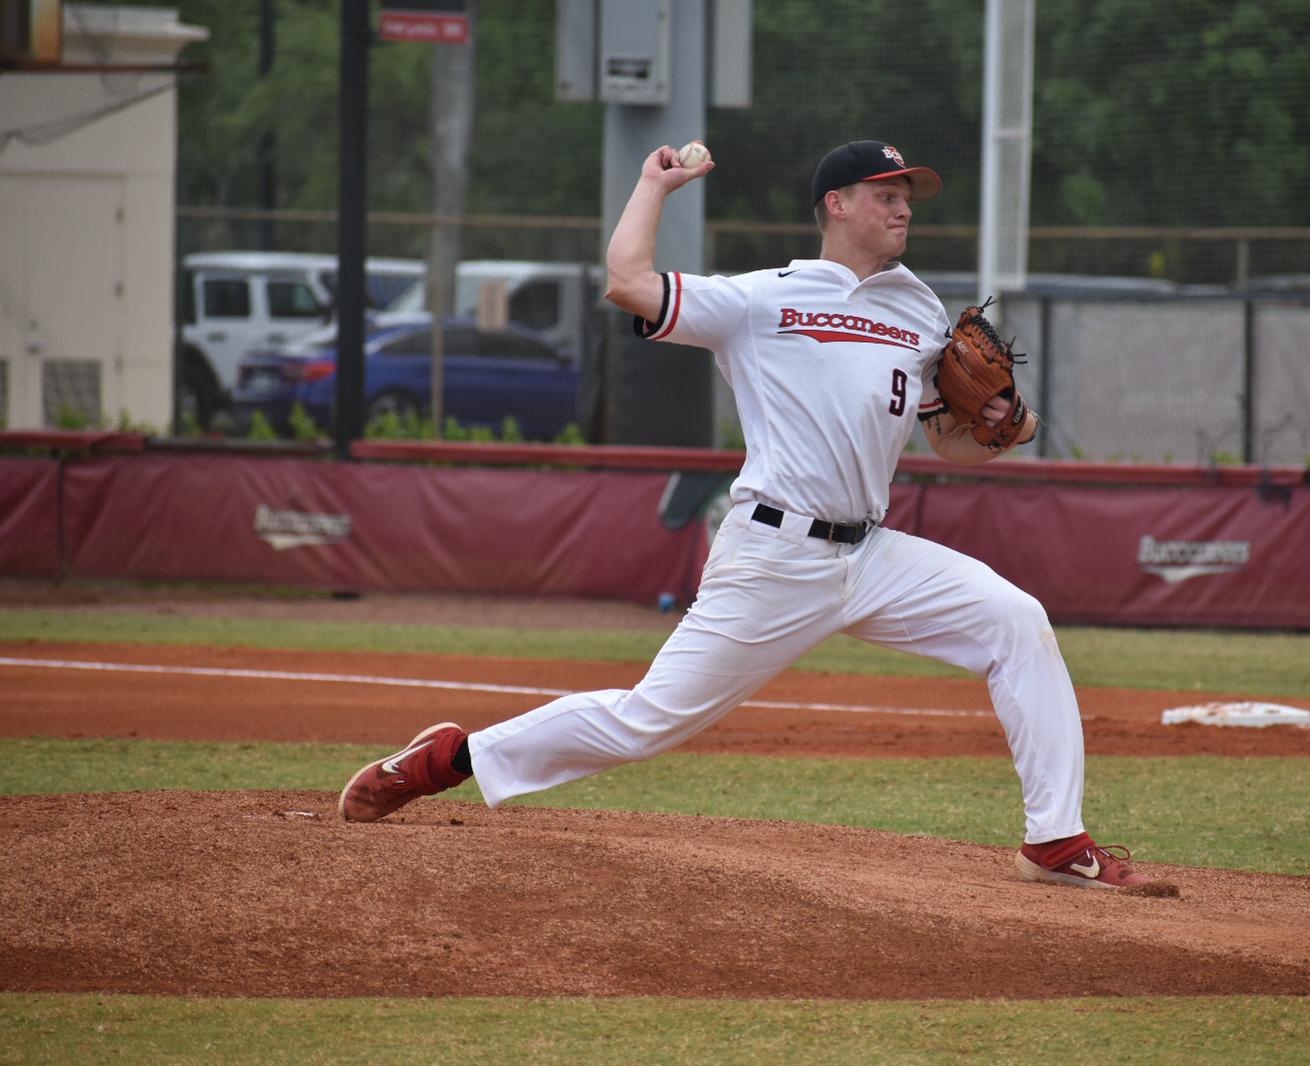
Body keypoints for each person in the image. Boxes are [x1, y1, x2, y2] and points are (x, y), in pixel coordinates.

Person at [339, 140, 1165, 892]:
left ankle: (1055, 841)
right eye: (886, 193)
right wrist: (651, 187)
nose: (905, 205)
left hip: (870, 556)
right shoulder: (759, 299)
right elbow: (627, 281)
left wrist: (1007, 428)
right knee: (647, 723)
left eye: (909, 193)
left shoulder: (920, 311)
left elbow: (952, 443)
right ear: (836, 205)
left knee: (1015, 621)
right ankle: (449, 759)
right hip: (775, 555)